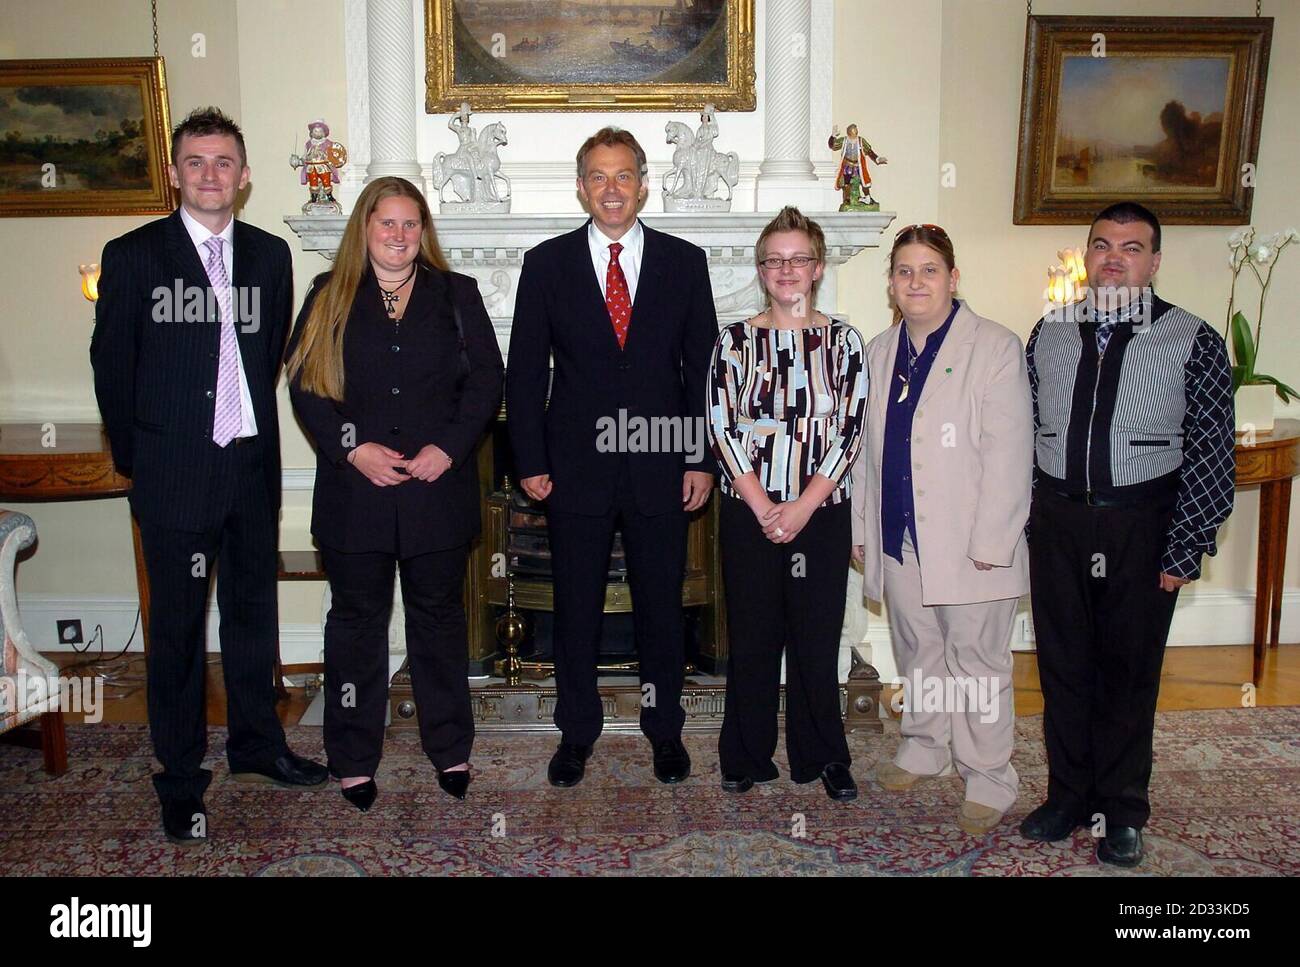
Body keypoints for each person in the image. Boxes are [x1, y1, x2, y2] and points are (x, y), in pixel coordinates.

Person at [90, 106, 327, 845]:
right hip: (173, 476)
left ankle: (258, 750)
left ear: (245, 175)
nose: (210, 175)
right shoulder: (132, 257)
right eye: (195, 162)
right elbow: (112, 373)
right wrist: (144, 458)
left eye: (224, 162)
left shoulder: (267, 257)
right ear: (173, 175)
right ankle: (182, 781)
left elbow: (265, 363)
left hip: (249, 470)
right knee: (179, 636)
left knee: (252, 622)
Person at [1020, 202, 1235, 866]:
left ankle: (1122, 808)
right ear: (1085, 256)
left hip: (1142, 525)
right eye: (1101, 245)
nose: (1113, 257)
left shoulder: (1192, 338)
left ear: (1155, 261)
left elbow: (1211, 450)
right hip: (1058, 520)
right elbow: (1023, 432)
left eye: (1131, 247)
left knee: (1128, 672)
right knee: (1062, 666)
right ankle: (1068, 796)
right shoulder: (1048, 331)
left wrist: (1184, 545)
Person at [505, 127, 717, 788]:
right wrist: (529, 459)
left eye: (623, 175)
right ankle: (576, 732)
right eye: (598, 176)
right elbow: (522, 374)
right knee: (575, 606)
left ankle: (664, 730)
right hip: (575, 467)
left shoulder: (685, 262)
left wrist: (699, 458)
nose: (612, 189)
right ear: (580, 188)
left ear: (644, 183)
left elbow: (703, 371)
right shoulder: (545, 264)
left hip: (660, 464)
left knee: (660, 603)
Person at [285, 176, 503, 811]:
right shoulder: (328, 295)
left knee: (438, 621)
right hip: (357, 495)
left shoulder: (457, 295)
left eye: (412, 225)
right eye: (389, 224)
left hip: (438, 490)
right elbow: (305, 386)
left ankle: (450, 748)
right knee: (356, 624)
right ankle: (353, 757)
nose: (401, 236)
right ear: (365, 227)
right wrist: (353, 448)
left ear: (424, 232)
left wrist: (450, 448)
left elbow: (488, 381)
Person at [850, 224, 1033, 833]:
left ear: (954, 279)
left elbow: (1010, 454)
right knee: (920, 654)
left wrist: (992, 542)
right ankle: (927, 746)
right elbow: (863, 455)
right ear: (891, 285)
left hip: (972, 544)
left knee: (976, 662)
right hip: (901, 540)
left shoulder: (995, 347)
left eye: (929, 270)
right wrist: (863, 529)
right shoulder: (879, 351)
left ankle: (988, 775)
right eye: (904, 271)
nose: (916, 281)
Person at [707, 206, 868, 801]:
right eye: (774, 260)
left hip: (820, 512)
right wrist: (761, 504)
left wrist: (801, 506)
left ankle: (822, 754)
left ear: (818, 267)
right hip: (749, 512)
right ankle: (744, 755)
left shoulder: (845, 340)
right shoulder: (733, 340)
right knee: (751, 638)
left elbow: (852, 430)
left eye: (798, 259)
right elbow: (721, 425)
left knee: (816, 638)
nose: (786, 270)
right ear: (761, 269)